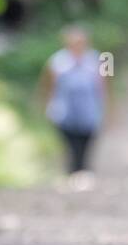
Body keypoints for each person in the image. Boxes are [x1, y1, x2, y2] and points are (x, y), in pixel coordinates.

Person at [38, 26, 108, 186]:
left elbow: (105, 84)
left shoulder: (101, 58)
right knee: (70, 144)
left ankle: (83, 173)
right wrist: (46, 104)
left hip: (89, 111)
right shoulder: (57, 60)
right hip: (65, 111)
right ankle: (73, 174)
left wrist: (108, 108)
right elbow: (48, 84)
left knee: (87, 142)